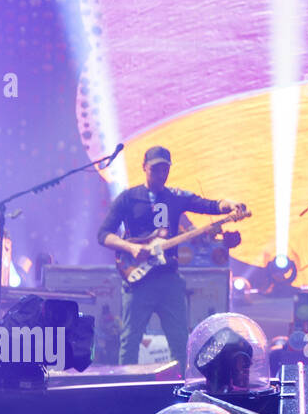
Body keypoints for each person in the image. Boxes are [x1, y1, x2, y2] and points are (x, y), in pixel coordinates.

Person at [97, 146, 246, 365]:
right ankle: (125, 389)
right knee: (130, 340)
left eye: (164, 169)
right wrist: (131, 248)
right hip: (138, 282)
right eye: (155, 169)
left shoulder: (176, 196)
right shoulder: (128, 198)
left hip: (169, 278)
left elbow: (208, 205)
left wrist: (229, 205)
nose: (160, 174)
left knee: (180, 341)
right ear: (144, 167)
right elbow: (103, 234)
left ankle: (182, 389)